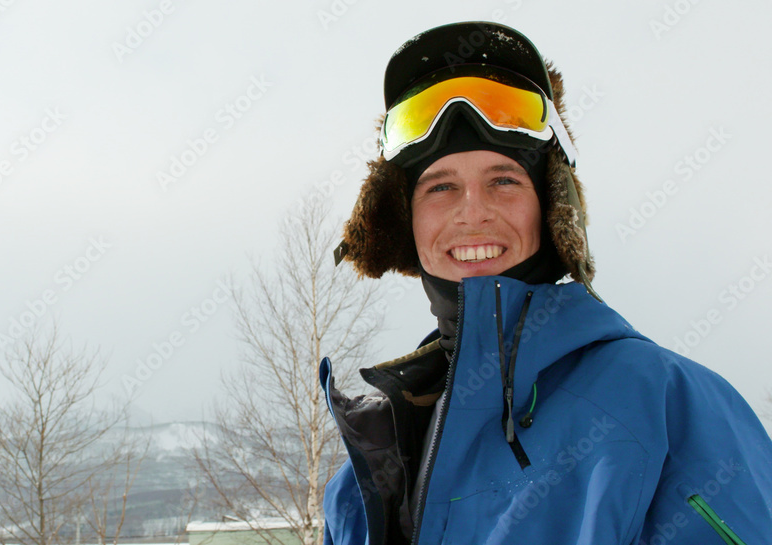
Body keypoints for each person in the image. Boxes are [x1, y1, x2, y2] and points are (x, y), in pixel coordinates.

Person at [320, 21, 772, 545]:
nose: (473, 213)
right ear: (405, 224)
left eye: (504, 180)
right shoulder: (361, 481)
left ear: (554, 211)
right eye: (440, 187)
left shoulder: (670, 409)